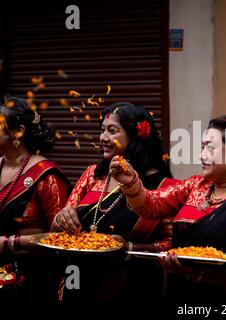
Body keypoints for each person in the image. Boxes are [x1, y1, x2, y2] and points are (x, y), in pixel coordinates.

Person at [109, 114, 226, 303]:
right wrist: (130, 183)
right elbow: (152, 205)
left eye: (210, 148)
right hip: (179, 294)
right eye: (202, 147)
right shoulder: (197, 185)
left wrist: (196, 273)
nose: (202, 155)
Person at [53, 102, 176, 301]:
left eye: (112, 131)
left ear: (135, 136)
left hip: (130, 286)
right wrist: (62, 217)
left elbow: (171, 244)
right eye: (102, 130)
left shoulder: (163, 186)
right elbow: (57, 230)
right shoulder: (92, 175)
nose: (103, 138)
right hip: (77, 278)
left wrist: (129, 248)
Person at [0, 96, 70, 301]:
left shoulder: (46, 177)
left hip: (30, 283)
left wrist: (8, 243)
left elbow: (62, 239)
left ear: (18, 131)